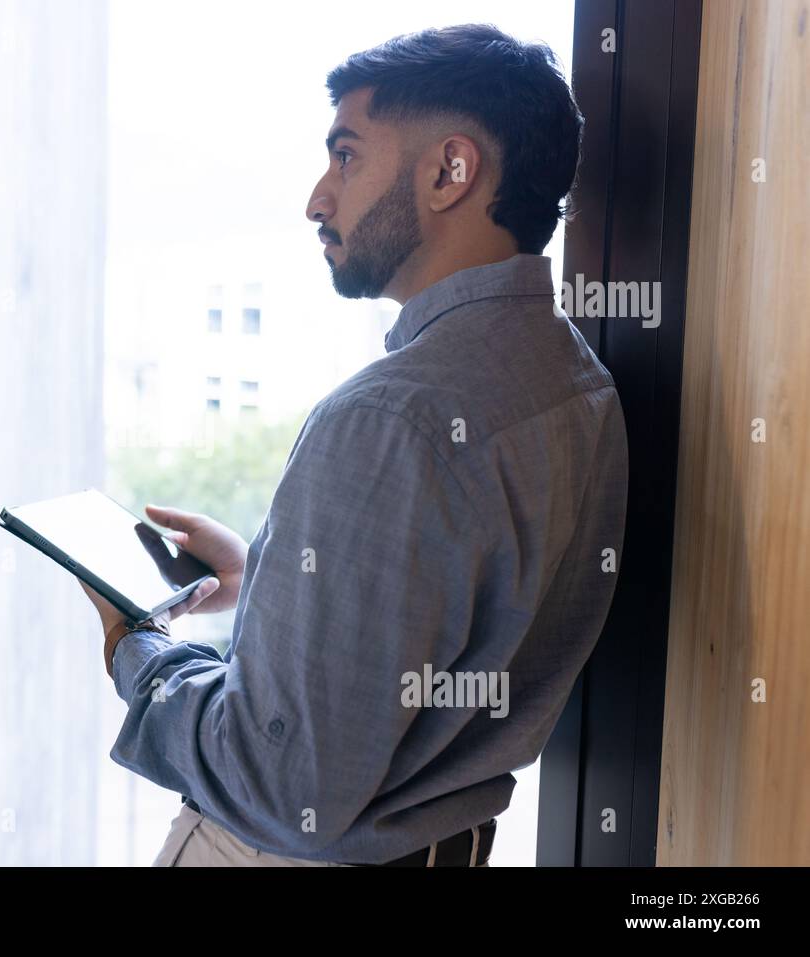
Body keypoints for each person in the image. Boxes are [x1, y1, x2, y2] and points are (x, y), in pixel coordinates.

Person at [79, 23, 628, 867]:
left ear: (452, 171)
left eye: (346, 156)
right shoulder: (577, 383)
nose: (317, 197)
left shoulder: (389, 417)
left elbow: (283, 784)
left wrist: (140, 650)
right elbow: (449, 615)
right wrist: (268, 578)